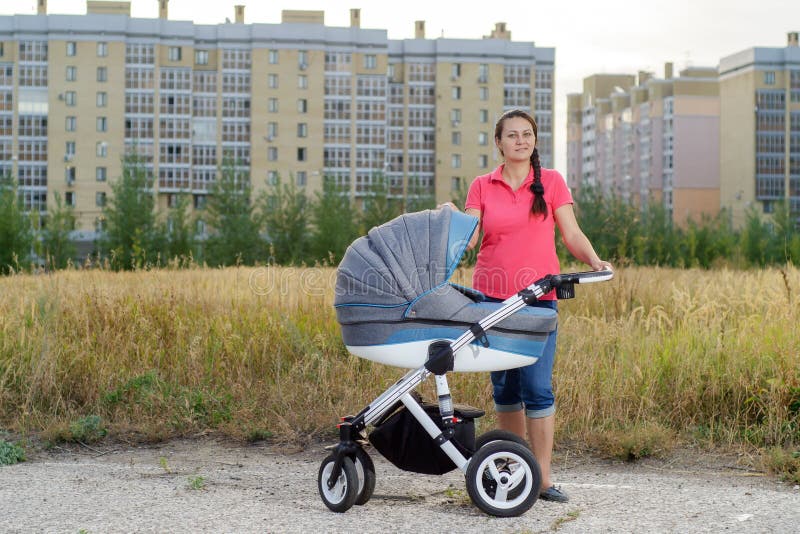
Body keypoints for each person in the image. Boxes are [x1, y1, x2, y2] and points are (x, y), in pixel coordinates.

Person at [446, 109, 612, 503]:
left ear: (534, 141)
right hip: (491, 299)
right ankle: (510, 470)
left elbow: (570, 232)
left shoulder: (551, 182)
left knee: (537, 387)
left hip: (539, 298)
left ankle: (542, 479)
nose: (520, 140)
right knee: (504, 386)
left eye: (527, 134)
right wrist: (450, 218)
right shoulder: (482, 186)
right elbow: (469, 239)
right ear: (499, 143)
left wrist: (594, 261)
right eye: (512, 135)